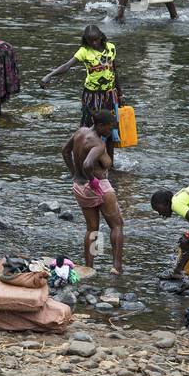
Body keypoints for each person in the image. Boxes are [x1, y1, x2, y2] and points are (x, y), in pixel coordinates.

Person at [40, 24, 123, 162]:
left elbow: (114, 72)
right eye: (90, 41)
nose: (94, 43)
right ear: (86, 41)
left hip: (109, 95)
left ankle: (110, 163)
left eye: (96, 40)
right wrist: (49, 75)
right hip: (92, 96)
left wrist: (120, 94)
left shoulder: (110, 48)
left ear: (101, 37)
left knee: (109, 129)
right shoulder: (84, 51)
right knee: (89, 129)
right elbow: (67, 65)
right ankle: (84, 161)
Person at [61, 111, 124, 275]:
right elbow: (89, 164)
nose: (111, 132)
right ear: (101, 125)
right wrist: (93, 181)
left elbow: (65, 151)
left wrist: (74, 173)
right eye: (110, 128)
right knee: (117, 225)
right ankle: (116, 267)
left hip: (79, 187)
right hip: (98, 185)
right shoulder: (98, 144)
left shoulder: (80, 132)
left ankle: (90, 268)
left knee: (93, 229)